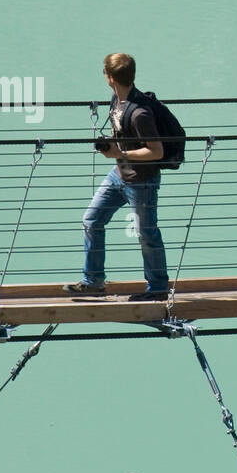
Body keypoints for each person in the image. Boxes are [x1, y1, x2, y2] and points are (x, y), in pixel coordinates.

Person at [64, 53, 170, 301]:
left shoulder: (140, 113)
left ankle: (157, 289)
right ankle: (94, 283)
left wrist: (119, 152)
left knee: (147, 233)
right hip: (118, 175)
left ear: (110, 78)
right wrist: (111, 146)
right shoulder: (117, 99)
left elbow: (157, 151)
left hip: (142, 181)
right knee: (91, 219)